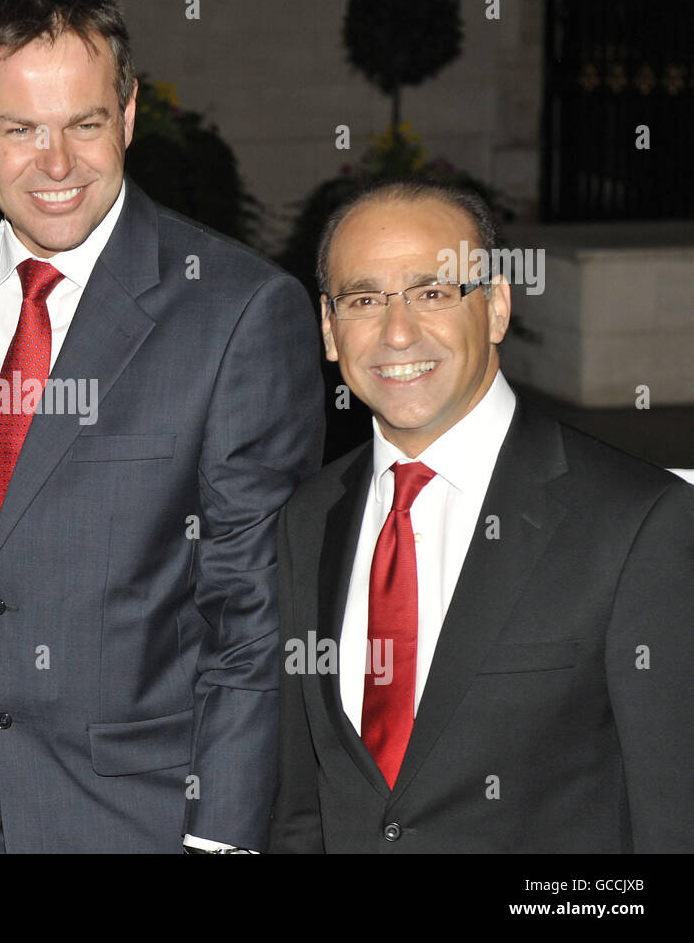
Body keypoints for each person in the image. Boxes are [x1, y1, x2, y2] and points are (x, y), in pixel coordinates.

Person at [0, 0, 324, 853]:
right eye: (21, 129)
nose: (56, 164)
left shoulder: (238, 311)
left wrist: (222, 842)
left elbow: (254, 618)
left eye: (84, 124)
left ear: (127, 115)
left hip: (143, 823)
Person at [269, 178, 694, 852]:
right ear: (328, 328)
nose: (397, 331)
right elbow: (298, 807)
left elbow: (673, 820)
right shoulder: (307, 519)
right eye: (364, 299)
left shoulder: (637, 523)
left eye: (434, 293)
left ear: (495, 305)